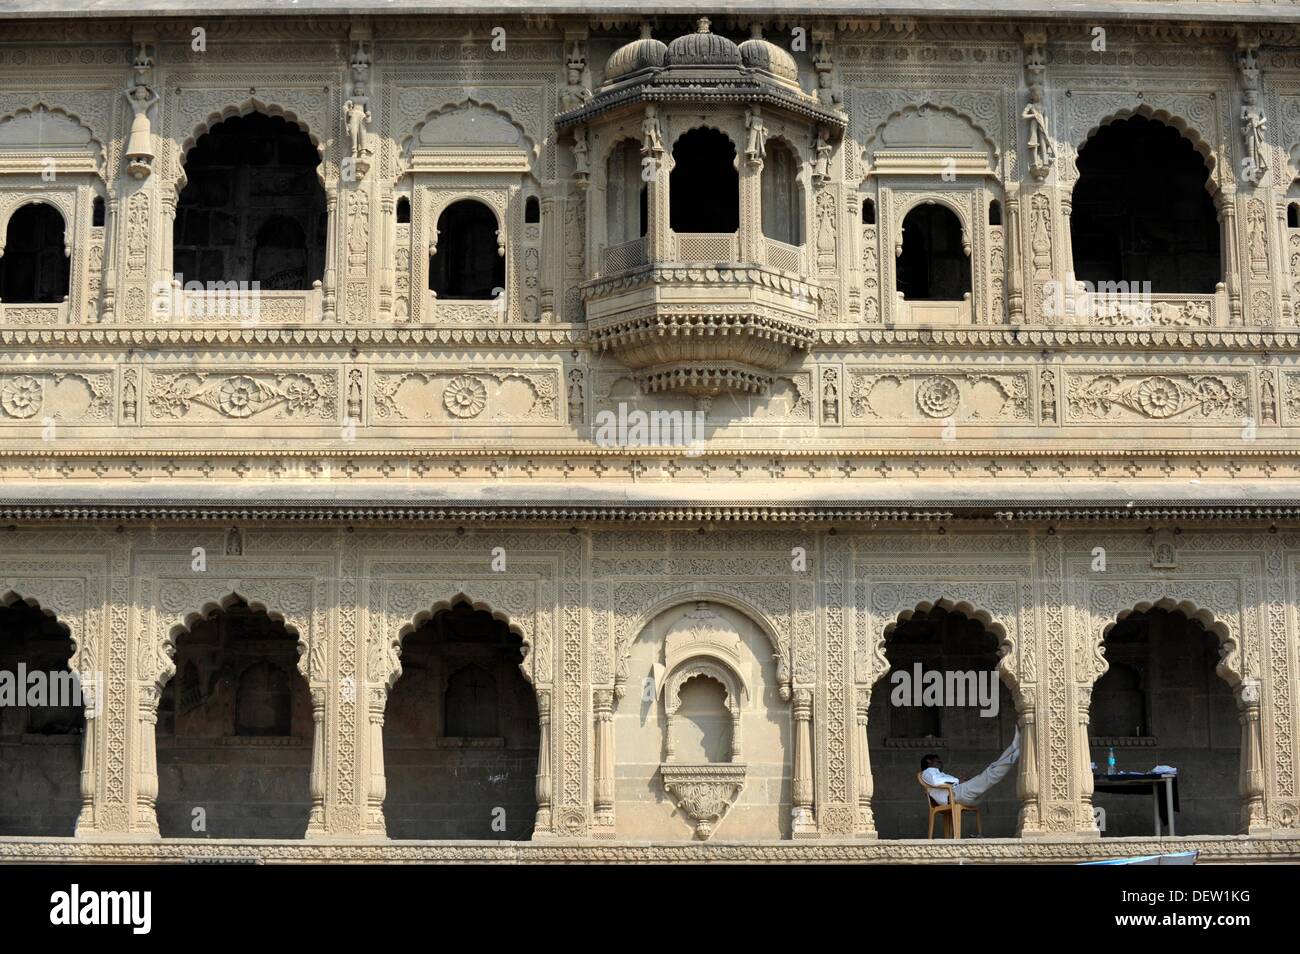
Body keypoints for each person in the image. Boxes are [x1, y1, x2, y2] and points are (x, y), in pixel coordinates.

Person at [920, 729, 1020, 807]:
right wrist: (958, 780)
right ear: (929, 761)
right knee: (990, 774)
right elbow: (936, 782)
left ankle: (1013, 747)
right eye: (938, 760)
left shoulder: (940, 773)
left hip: (960, 795)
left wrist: (961, 781)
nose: (941, 762)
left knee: (991, 770)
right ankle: (1016, 751)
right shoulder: (927, 772)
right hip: (955, 796)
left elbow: (947, 782)